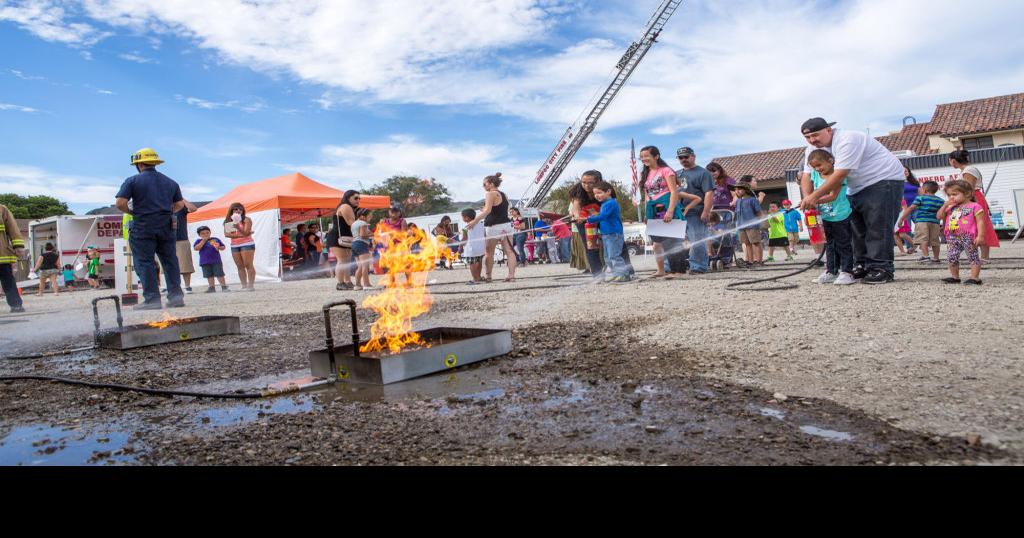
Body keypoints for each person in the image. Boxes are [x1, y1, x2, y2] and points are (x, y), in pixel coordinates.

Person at [798, 118, 906, 284]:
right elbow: (807, 175)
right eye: (808, 137)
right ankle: (861, 265)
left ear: (828, 130)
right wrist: (807, 197)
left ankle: (881, 268)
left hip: (883, 179)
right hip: (854, 186)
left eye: (815, 135)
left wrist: (814, 197)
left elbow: (839, 174)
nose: (812, 140)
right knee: (857, 229)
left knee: (877, 225)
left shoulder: (847, 139)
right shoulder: (812, 149)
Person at [115, 147, 186, 309]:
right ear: (155, 163)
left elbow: (120, 203)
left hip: (143, 225)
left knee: (145, 261)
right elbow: (180, 204)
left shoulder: (133, 181)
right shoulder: (171, 182)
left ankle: (152, 299)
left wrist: (131, 212)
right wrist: (166, 213)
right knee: (169, 261)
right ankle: (176, 297)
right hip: (166, 225)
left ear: (138, 164)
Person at [807, 149, 856, 285]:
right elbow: (814, 192)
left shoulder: (837, 175)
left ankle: (847, 272)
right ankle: (831, 271)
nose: (818, 169)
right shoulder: (816, 176)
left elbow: (832, 196)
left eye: (819, 165)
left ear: (831, 161)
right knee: (830, 244)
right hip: (825, 216)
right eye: (814, 167)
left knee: (843, 243)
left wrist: (813, 200)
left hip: (840, 214)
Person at [949, 149, 999, 263]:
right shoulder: (965, 170)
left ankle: (984, 257)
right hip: (969, 198)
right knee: (970, 226)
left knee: (980, 224)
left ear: (953, 161)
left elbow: (968, 188)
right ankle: (975, 255)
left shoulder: (969, 170)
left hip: (972, 198)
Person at [466, 172, 517, 282]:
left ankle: (488, 276)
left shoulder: (490, 194)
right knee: (509, 251)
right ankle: (511, 275)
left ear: (491, 184)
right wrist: (486, 211)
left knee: (489, 252)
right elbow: (501, 209)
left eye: (484, 184)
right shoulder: (504, 194)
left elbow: (488, 210)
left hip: (493, 226)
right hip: (506, 224)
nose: (484, 187)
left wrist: (475, 221)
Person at [675, 146, 716, 275]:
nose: (683, 159)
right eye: (680, 157)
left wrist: (706, 211)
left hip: (696, 212)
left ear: (693, 156)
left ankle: (698, 267)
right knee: (673, 242)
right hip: (679, 212)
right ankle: (673, 267)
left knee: (697, 241)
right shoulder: (677, 174)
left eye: (686, 157)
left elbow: (709, 193)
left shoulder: (703, 173)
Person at [937, 180, 987, 285]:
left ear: (967, 193)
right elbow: (939, 216)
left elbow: (981, 222)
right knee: (951, 256)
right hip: (952, 236)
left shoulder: (975, 206)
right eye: (949, 195)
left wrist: (981, 235)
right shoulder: (950, 207)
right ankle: (955, 277)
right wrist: (945, 206)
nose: (951, 197)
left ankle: (975, 278)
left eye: (954, 194)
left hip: (968, 236)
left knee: (972, 256)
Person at [584, 181, 630, 283]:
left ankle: (622, 275)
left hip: (613, 233)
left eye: (599, 193)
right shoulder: (605, 204)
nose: (597, 196)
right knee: (607, 257)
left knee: (614, 255)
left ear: (608, 191)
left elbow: (603, 216)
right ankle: (616, 274)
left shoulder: (611, 203)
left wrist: (588, 219)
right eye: (595, 194)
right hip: (606, 234)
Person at [897, 181, 944, 263]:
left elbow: (911, 208)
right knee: (935, 240)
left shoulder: (920, 198)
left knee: (923, 239)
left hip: (922, 222)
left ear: (925, 189)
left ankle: (926, 256)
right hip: (935, 222)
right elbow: (943, 212)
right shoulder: (940, 200)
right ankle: (936, 258)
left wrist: (902, 218)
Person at [327, 190, 360, 290]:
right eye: (355, 198)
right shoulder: (346, 206)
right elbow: (352, 223)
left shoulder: (346, 206)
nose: (358, 200)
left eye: (359, 198)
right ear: (348, 197)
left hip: (344, 237)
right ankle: (340, 283)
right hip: (338, 237)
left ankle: (347, 282)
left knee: (346, 260)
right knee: (342, 260)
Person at [223, 202, 257, 291]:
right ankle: (244, 285)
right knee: (239, 266)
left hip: (247, 244)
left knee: (248, 265)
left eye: (240, 209)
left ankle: (251, 285)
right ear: (231, 210)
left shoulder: (246, 219)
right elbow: (227, 234)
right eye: (236, 209)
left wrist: (238, 227)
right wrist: (241, 235)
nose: (238, 211)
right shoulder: (228, 221)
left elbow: (246, 233)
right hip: (234, 245)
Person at [0, 203, 26, 313]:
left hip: (1, 254)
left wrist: (18, 246)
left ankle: (16, 304)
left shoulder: (2, 209)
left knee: (7, 280)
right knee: (8, 280)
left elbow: (12, 228)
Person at [734, 183, 764, 267]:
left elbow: (759, 212)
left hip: (752, 226)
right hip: (741, 226)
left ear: (746, 190)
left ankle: (759, 261)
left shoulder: (752, 200)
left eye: (739, 189)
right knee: (747, 243)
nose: (737, 191)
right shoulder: (738, 201)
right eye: (736, 189)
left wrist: (760, 222)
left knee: (756, 243)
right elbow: (737, 213)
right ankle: (750, 261)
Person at [171, 200, 198, 292]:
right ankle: (171, 286)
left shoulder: (181, 207)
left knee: (185, 264)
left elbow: (193, 209)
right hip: (166, 240)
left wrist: (180, 198)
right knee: (167, 265)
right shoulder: (161, 206)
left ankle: (187, 286)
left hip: (181, 238)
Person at [193, 226, 229, 292]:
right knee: (209, 275)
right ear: (199, 235)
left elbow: (223, 247)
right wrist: (203, 241)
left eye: (207, 232)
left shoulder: (215, 239)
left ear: (210, 233)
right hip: (205, 261)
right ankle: (211, 287)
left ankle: (224, 286)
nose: (205, 234)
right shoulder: (198, 241)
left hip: (216, 260)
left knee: (219, 274)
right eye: (203, 233)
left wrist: (219, 247)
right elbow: (196, 248)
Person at [461, 208, 486, 284]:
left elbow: (465, 239)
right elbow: (484, 235)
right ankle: (478, 277)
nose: (462, 218)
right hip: (481, 247)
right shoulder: (481, 225)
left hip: (471, 248)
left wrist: (460, 246)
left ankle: (475, 279)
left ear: (466, 217)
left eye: (462, 217)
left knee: (472, 264)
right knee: (479, 262)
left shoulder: (466, 227)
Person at [350, 209, 373, 290]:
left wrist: (370, 233)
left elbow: (362, 233)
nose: (371, 217)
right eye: (369, 215)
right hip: (361, 244)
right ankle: (367, 284)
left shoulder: (354, 223)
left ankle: (357, 285)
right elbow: (363, 235)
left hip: (354, 244)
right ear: (363, 216)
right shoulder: (363, 223)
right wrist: (372, 235)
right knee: (365, 266)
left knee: (359, 266)